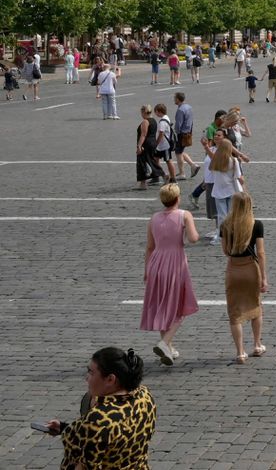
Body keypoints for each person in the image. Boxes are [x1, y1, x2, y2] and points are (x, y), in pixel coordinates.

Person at [41, 347, 156, 467]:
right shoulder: (144, 395)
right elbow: (114, 436)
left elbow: (86, 464)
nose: (87, 378)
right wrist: (66, 428)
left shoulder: (98, 418)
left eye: (91, 372)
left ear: (110, 379)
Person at [141, 183, 200, 365]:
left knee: (162, 305)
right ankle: (165, 342)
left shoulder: (154, 218)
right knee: (180, 305)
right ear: (178, 198)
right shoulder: (184, 215)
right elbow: (193, 238)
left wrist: (146, 270)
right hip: (176, 264)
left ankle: (169, 349)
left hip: (156, 263)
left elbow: (150, 247)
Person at [222, 191, 268, 363]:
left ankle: (240, 352)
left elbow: (225, 250)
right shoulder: (256, 224)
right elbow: (261, 253)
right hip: (251, 268)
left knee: (234, 313)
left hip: (233, 268)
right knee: (255, 307)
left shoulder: (225, 225)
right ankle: (257, 345)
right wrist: (264, 278)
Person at [135, 105, 163, 189]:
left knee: (141, 163)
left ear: (143, 112)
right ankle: (163, 176)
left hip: (146, 144)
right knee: (151, 161)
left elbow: (143, 135)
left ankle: (143, 184)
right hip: (152, 143)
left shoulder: (145, 121)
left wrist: (139, 146)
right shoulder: (153, 120)